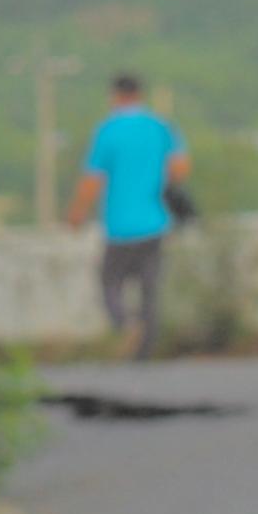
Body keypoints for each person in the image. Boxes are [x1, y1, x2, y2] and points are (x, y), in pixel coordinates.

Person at [74, 75, 191, 358]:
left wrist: (76, 214)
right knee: (149, 289)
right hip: (155, 221)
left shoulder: (108, 131)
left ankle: (126, 324)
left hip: (120, 225)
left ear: (115, 96)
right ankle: (144, 352)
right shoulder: (161, 127)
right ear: (140, 94)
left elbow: (92, 180)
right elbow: (180, 170)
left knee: (110, 283)